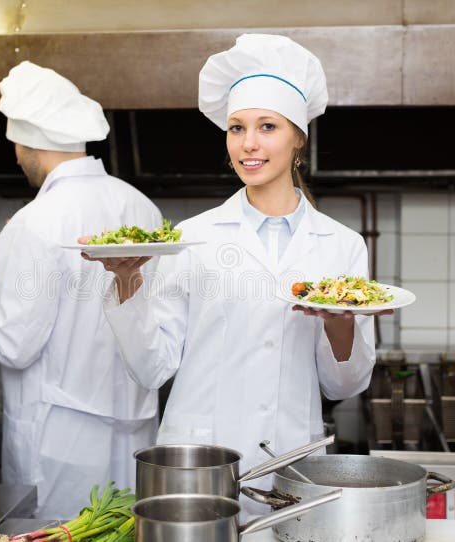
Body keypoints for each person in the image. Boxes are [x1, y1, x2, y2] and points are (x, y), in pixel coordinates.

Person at [83, 34, 390, 509]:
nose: (248, 144)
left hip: (288, 460)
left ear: (298, 138)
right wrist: (127, 281)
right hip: (198, 466)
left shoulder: (342, 246)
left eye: (267, 126)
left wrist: (339, 322)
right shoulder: (192, 237)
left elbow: (343, 386)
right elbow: (152, 367)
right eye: (236, 128)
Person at [0, 61, 161, 519]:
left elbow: (14, 343)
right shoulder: (141, 207)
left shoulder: (35, 222)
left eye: (15, 144)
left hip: (60, 443)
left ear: (28, 142)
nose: (15, 156)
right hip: (135, 435)